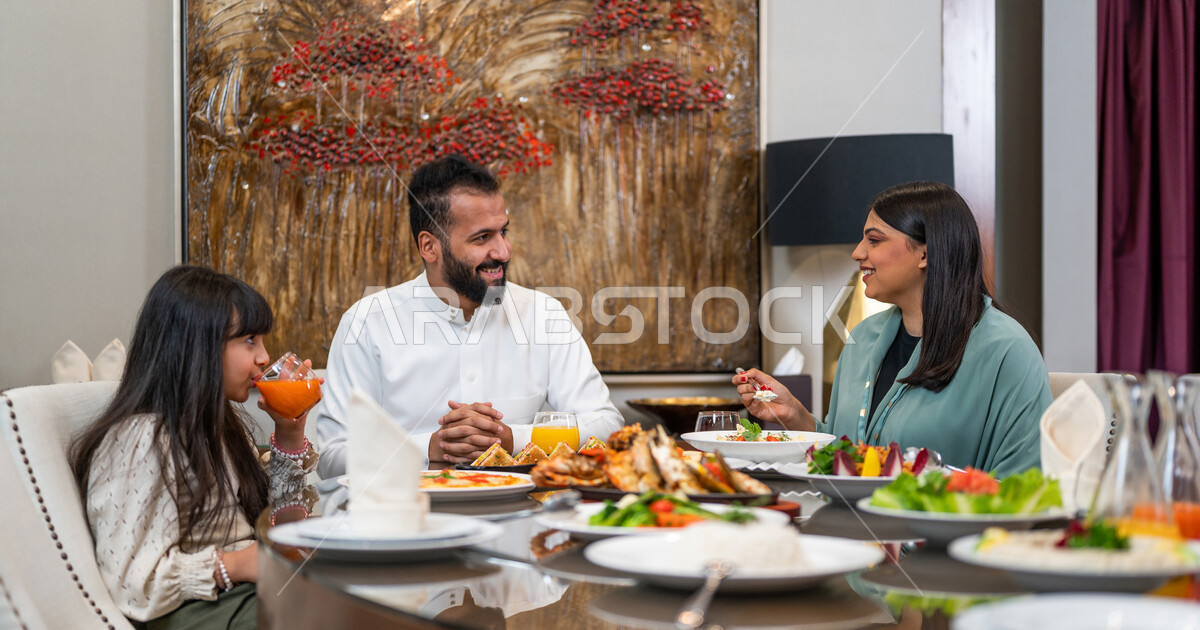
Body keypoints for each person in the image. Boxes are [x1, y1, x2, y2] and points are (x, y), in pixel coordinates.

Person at [316, 154, 622, 475]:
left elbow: (607, 424)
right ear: (429, 247)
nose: (503, 251)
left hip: (522, 520)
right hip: (408, 520)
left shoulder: (544, 314)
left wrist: (510, 439)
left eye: (503, 231)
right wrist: (432, 447)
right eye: (482, 238)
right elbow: (333, 456)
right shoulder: (367, 323)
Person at [735, 182, 1051, 477]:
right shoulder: (862, 337)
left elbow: (1022, 485)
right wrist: (794, 416)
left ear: (926, 253)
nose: (857, 252)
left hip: (946, 535)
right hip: (852, 531)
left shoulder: (1007, 350)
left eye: (874, 240)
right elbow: (851, 461)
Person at [70, 266, 320, 628]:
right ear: (196, 344)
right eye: (250, 339)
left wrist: (290, 432)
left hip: (242, 595)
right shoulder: (143, 440)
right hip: (196, 611)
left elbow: (282, 525)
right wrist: (239, 563)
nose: (264, 357)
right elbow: (133, 586)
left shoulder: (224, 430)